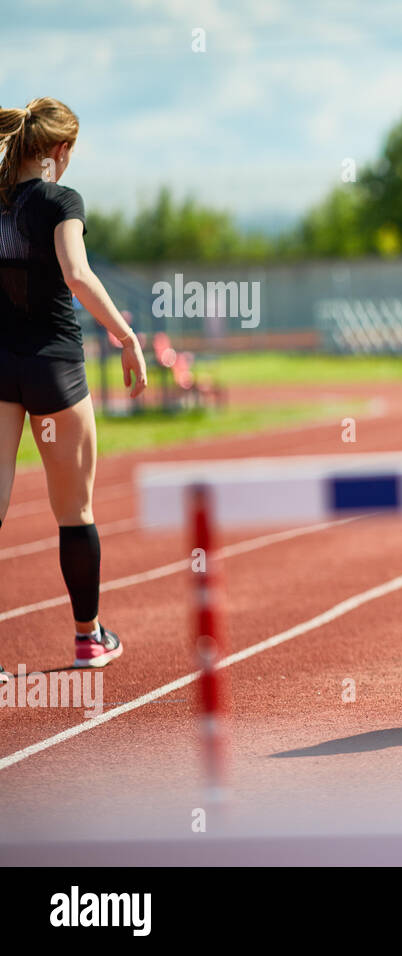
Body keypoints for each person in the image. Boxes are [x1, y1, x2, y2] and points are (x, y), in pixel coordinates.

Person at [0, 97, 148, 681]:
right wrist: (126, 335)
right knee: (74, 510)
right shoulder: (61, 199)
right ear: (60, 152)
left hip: (0, 366)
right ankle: (89, 638)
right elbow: (76, 272)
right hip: (55, 366)